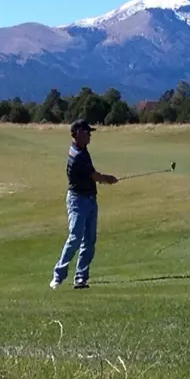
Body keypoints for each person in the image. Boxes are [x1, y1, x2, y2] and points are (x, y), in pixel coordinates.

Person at [50, 119, 118, 290]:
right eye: (87, 132)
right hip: (78, 201)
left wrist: (103, 179)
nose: (89, 136)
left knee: (89, 240)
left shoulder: (82, 149)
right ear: (77, 133)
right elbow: (94, 176)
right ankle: (58, 275)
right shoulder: (78, 155)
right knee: (75, 238)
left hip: (89, 199)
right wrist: (108, 179)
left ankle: (81, 278)